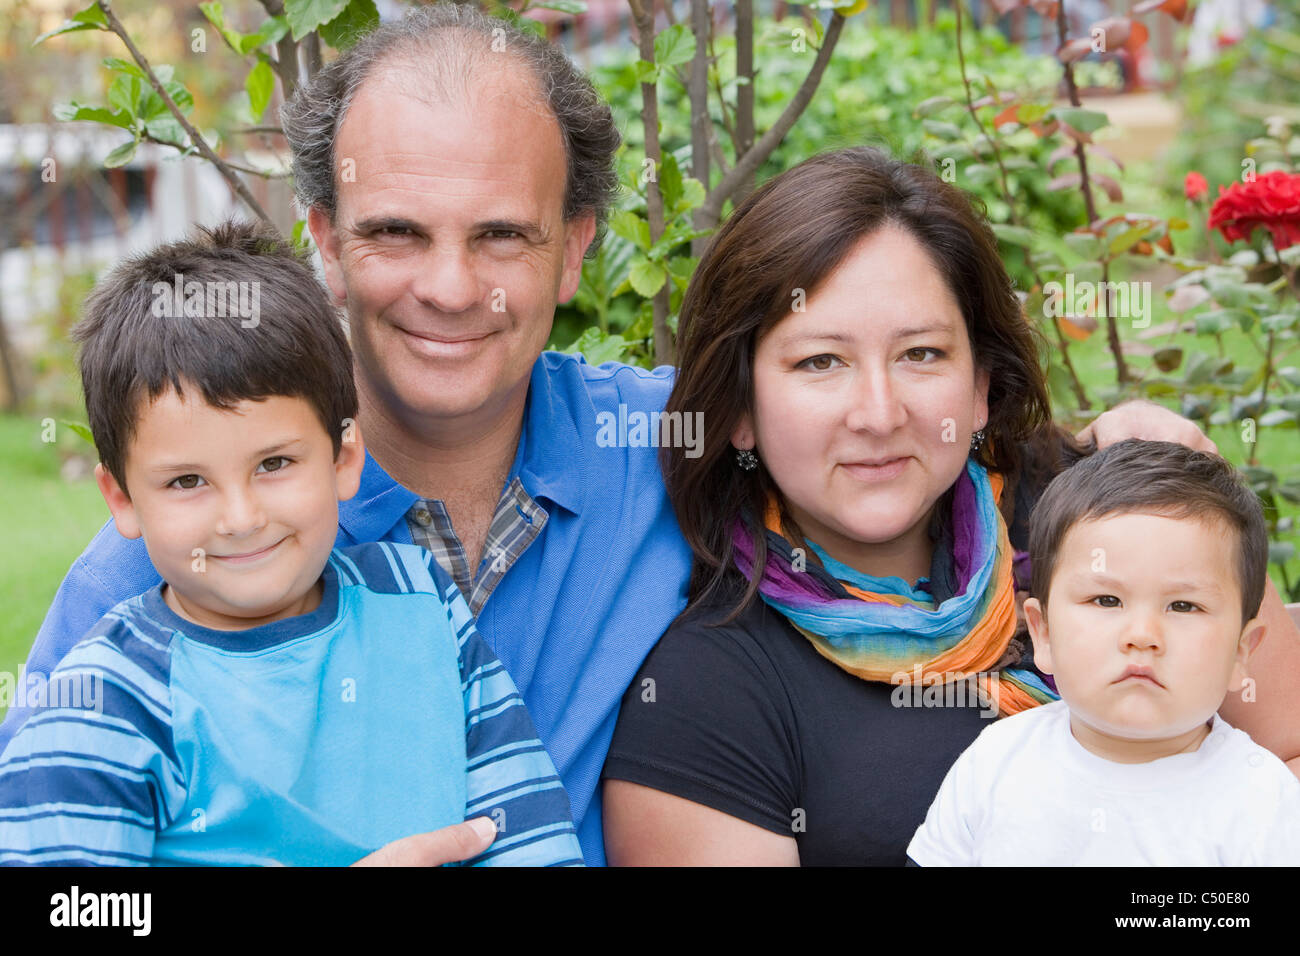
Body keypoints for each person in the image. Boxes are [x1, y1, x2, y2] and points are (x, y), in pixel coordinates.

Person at [1, 8, 1256, 866]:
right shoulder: (196, 544)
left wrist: (1100, 444)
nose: (451, 286)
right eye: (395, 233)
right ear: (323, 240)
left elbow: (867, 419)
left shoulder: (671, 436)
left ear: (576, 247)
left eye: (502, 234)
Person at [600, 146, 1300, 866]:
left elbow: (1291, 751)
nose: (878, 414)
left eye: (922, 354)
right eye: (821, 362)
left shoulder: (1112, 517)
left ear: (979, 388)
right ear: (740, 405)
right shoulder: (710, 695)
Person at [0, 221, 582, 867]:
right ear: (123, 502)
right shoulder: (107, 699)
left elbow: (529, 835)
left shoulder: (420, 599)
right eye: (188, 481)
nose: (242, 517)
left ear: (344, 459)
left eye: (274, 463)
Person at [907, 440, 1300, 865]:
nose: (1143, 635)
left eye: (1184, 606)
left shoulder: (1262, 801)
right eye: (1107, 600)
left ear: (1242, 653)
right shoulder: (996, 763)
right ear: (1045, 635)